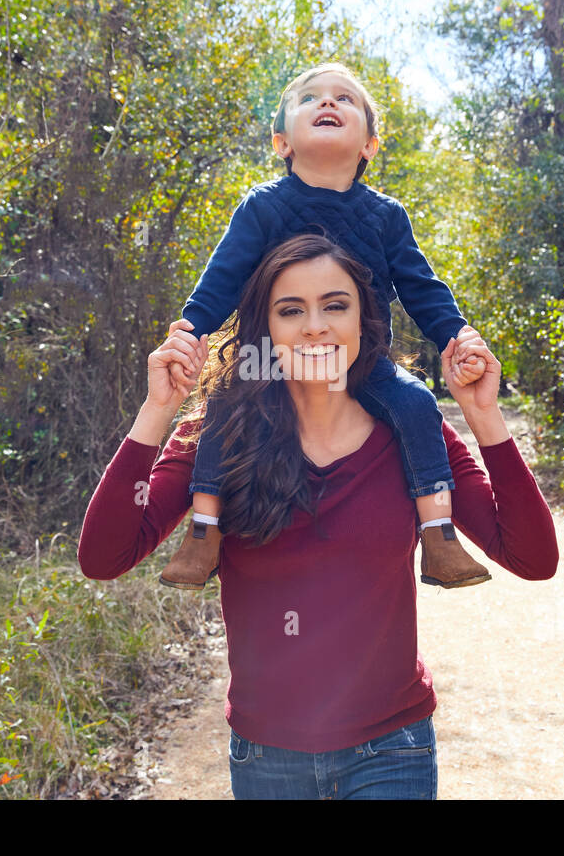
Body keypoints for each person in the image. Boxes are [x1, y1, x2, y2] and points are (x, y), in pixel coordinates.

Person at [77, 232, 559, 799]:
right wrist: (158, 410)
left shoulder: (413, 435)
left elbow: (533, 558)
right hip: (267, 756)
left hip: (393, 749)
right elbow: (105, 557)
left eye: (336, 305)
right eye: (290, 310)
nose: (315, 327)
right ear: (265, 329)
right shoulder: (220, 434)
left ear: (363, 322)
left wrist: (485, 418)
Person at [158, 61, 494, 592]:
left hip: (363, 362)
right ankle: (204, 530)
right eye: (310, 97)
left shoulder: (386, 217)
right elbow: (222, 279)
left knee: (416, 403)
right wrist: (190, 332)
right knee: (223, 398)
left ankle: (438, 534)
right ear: (281, 141)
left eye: (345, 99)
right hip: (270, 357)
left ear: (370, 145)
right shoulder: (263, 208)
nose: (328, 103)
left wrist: (457, 335)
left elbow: (420, 287)